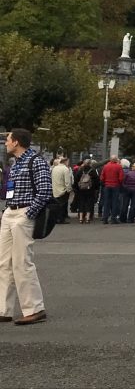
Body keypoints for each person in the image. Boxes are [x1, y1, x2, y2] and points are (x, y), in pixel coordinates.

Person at [0, 129, 51, 325]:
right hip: (10, 212)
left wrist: (28, 214)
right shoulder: (15, 164)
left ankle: (34, 308)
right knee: (4, 262)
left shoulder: (36, 161)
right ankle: (4, 309)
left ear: (17, 142)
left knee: (22, 262)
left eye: (8, 140)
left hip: (23, 213)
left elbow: (45, 190)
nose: (6, 143)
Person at [73, 159, 99, 224]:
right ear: (90, 164)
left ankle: (81, 218)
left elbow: (76, 180)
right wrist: (95, 188)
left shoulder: (80, 170)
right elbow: (97, 180)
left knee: (81, 203)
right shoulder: (92, 171)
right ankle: (87, 218)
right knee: (89, 203)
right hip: (90, 190)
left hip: (81, 190)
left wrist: (76, 188)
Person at [99, 156, 123, 224]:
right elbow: (121, 178)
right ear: (116, 160)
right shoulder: (119, 167)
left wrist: (104, 182)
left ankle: (105, 218)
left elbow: (102, 176)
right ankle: (113, 218)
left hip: (107, 185)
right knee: (115, 202)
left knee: (106, 202)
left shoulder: (106, 166)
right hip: (115, 186)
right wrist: (120, 183)